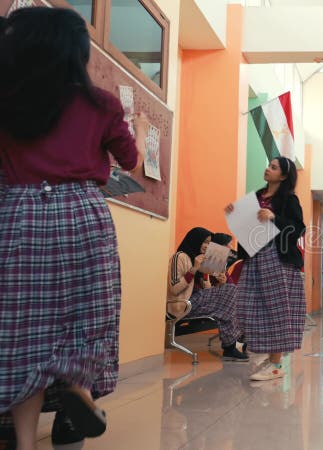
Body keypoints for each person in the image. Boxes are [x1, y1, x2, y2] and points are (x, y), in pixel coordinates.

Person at [0, 7, 148, 448]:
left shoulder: (7, 101)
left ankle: (25, 441)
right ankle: (78, 390)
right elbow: (131, 160)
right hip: (80, 213)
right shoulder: (99, 104)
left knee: (23, 329)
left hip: (17, 214)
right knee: (89, 313)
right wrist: (139, 128)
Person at [225, 157, 306, 381]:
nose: (267, 169)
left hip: (277, 260)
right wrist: (234, 212)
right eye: (268, 165)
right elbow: (246, 225)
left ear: (283, 176)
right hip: (253, 257)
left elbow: (298, 228)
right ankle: (262, 351)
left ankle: (276, 364)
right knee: (247, 306)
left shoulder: (289, 199)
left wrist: (275, 217)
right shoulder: (257, 197)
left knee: (275, 311)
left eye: (273, 167)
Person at [167, 228, 248, 361]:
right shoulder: (179, 257)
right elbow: (175, 289)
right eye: (204, 242)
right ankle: (233, 343)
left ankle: (232, 345)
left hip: (197, 300)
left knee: (231, 291)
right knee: (232, 291)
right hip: (182, 304)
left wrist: (220, 283)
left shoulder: (200, 259)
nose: (206, 246)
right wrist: (193, 269)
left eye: (209, 243)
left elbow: (207, 290)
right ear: (195, 240)